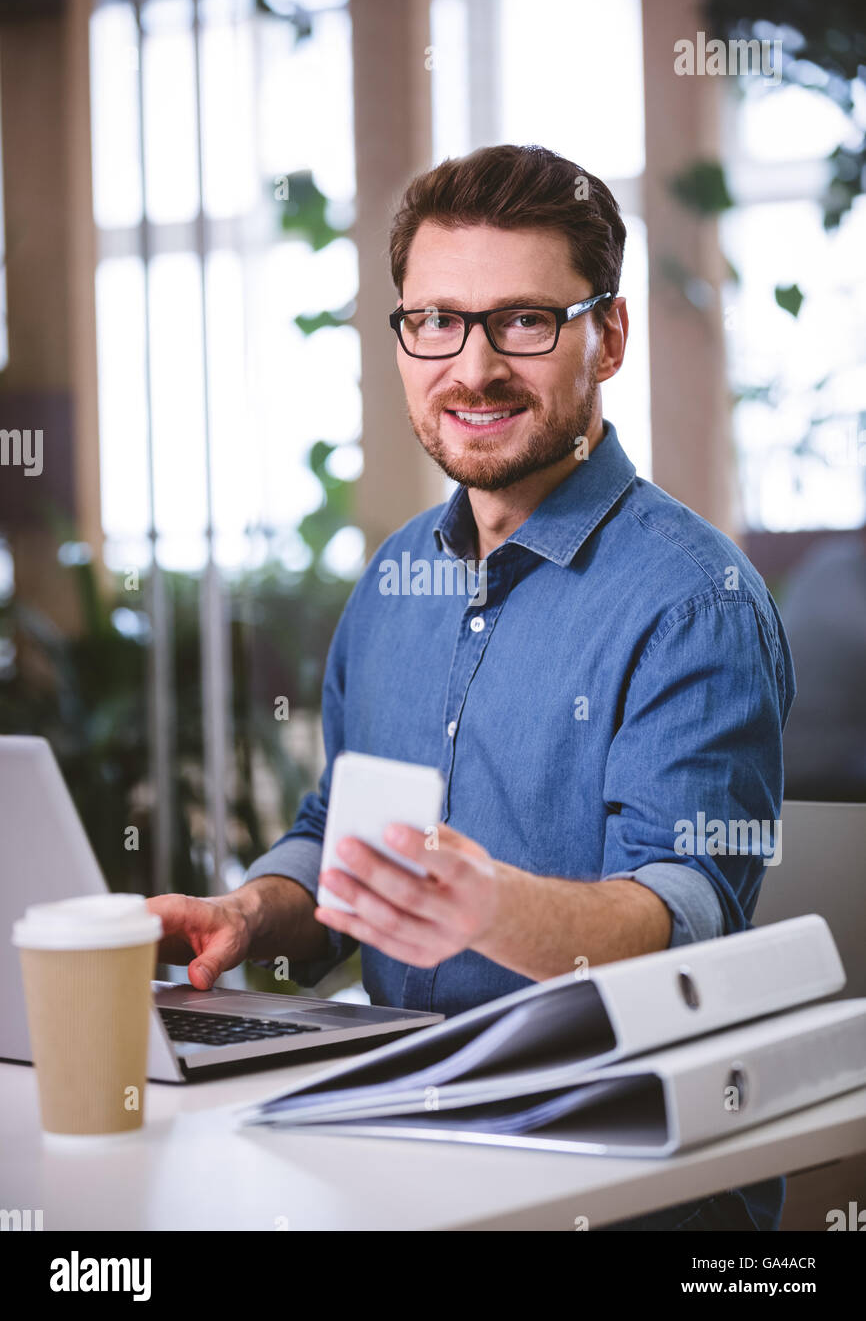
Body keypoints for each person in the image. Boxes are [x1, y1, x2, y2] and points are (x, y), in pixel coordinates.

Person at [150, 144, 795, 1231]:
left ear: (608, 335)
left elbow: (689, 913)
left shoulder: (693, 604)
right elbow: (334, 835)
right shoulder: (395, 585)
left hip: (622, 1166)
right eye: (436, 320)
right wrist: (251, 913)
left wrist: (490, 904)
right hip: (401, 1126)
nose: (474, 366)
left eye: (523, 322)